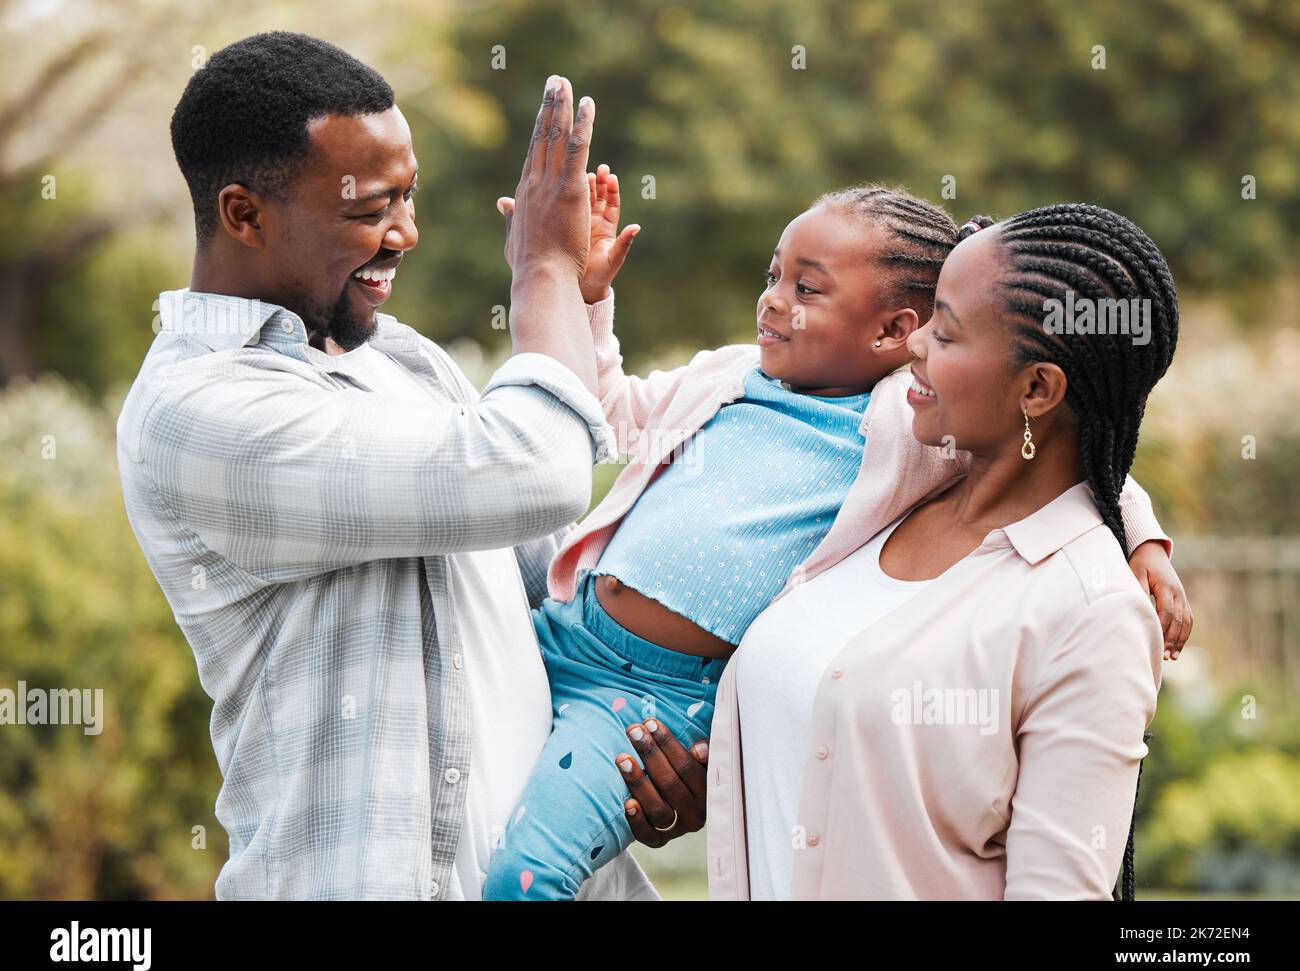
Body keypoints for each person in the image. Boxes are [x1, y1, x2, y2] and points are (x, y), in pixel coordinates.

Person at [481, 178, 1190, 899]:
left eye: (942, 329)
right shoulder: (741, 383)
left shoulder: (900, 440)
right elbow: (610, 410)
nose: (914, 344)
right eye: (774, 276)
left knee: (521, 877)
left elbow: (1081, 455)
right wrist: (578, 293)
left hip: (648, 694)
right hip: (569, 632)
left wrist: (1143, 541)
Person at [116, 31, 691, 899]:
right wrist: (542, 271)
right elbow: (530, 470)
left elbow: (564, 578)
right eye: (370, 209)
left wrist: (645, 751)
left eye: (409, 198)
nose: (407, 234)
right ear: (244, 214)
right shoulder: (196, 411)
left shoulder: (405, 362)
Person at [706, 204, 1183, 899]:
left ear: (1037, 389)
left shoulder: (1089, 610)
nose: (914, 344)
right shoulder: (883, 488)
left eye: (947, 332)